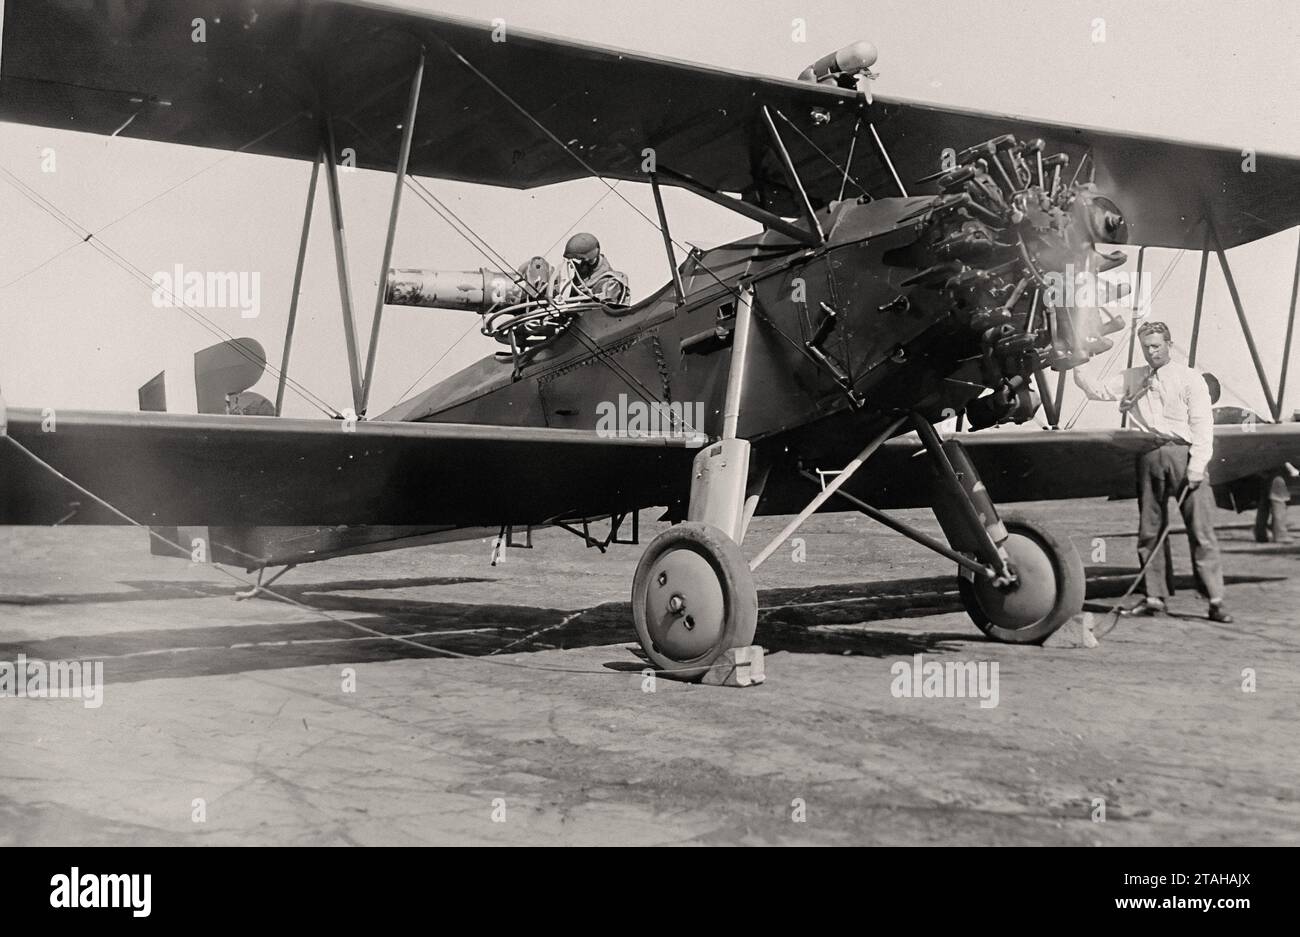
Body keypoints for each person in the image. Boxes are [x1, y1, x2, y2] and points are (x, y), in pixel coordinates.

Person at [1073, 319, 1232, 622]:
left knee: (1201, 532)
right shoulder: (1133, 377)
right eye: (1146, 347)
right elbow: (1097, 391)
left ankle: (1215, 600)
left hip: (1183, 456)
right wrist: (1077, 362)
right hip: (1147, 456)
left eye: (1157, 346)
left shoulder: (1190, 378)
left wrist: (1197, 466)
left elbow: (1202, 425)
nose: (1151, 352)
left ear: (1169, 345)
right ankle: (1155, 597)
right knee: (1150, 531)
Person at [560, 232, 629, 305]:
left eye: (578, 259)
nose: (574, 264)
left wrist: (589, 296)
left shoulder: (611, 282)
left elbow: (608, 308)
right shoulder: (576, 275)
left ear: (587, 259)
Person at [1254, 463, 1296, 544]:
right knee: (1279, 501)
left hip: (1265, 470)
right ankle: (1280, 534)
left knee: (1265, 502)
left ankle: (1260, 533)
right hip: (1278, 472)